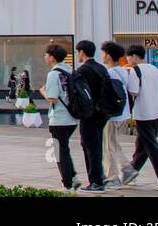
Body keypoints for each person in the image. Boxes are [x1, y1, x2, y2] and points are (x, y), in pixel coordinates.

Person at [120, 44, 158, 194]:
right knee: (142, 146)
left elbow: (133, 92)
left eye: (128, 56)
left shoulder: (135, 71)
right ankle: (129, 174)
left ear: (133, 56)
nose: (127, 59)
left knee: (151, 147)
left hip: (143, 113)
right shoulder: (157, 70)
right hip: (156, 112)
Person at [71, 39, 112, 193]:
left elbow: (77, 94)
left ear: (82, 52)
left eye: (77, 52)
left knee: (90, 147)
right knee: (96, 146)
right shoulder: (102, 68)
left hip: (89, 115)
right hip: (102, 113)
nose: (77, 55)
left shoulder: (83, 70)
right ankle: (98, 177)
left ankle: (96, 182)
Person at [41, 43, 80, 192]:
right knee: (64, 148)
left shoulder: (53, 74)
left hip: (59, 118)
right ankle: (74, 178)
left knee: (59, 151)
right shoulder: (70, 70)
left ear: (52, 57)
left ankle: (67, 184)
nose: (45, 57)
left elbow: (52, 98)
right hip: (73, 117)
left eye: (46, 55)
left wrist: (43, 92)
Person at [100, 41, 133, 188]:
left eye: (104, 53)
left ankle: (112, 178)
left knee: (108, 146)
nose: (102, 56)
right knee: (114, 143)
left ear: (108, 55)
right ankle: (127, 170)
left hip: (112, 115)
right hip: (124, 113)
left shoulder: (110, 73)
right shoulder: (123, 71)